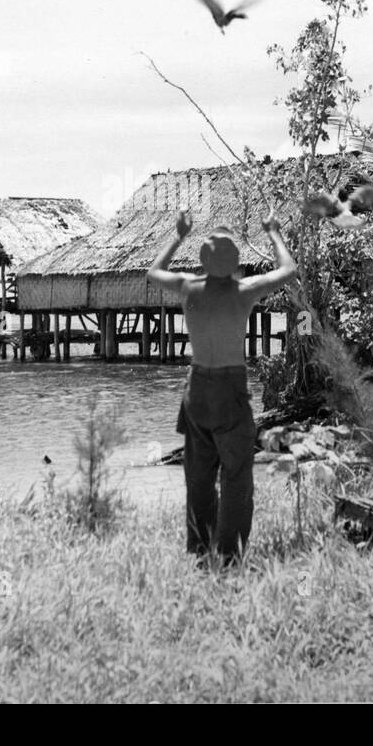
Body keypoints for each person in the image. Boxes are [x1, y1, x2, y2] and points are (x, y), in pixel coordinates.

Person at [147, 208, 297, 562]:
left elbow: (153, 273)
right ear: (235, 262)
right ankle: (229, 554)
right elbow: (289, 270)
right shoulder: (244, 291)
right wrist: (273, 231)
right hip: (230, 389)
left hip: (197, 389)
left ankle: (199, 550)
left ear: (202, 258)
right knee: (236, 477)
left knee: (198, 478)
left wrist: (178, 235)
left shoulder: (188, 286)